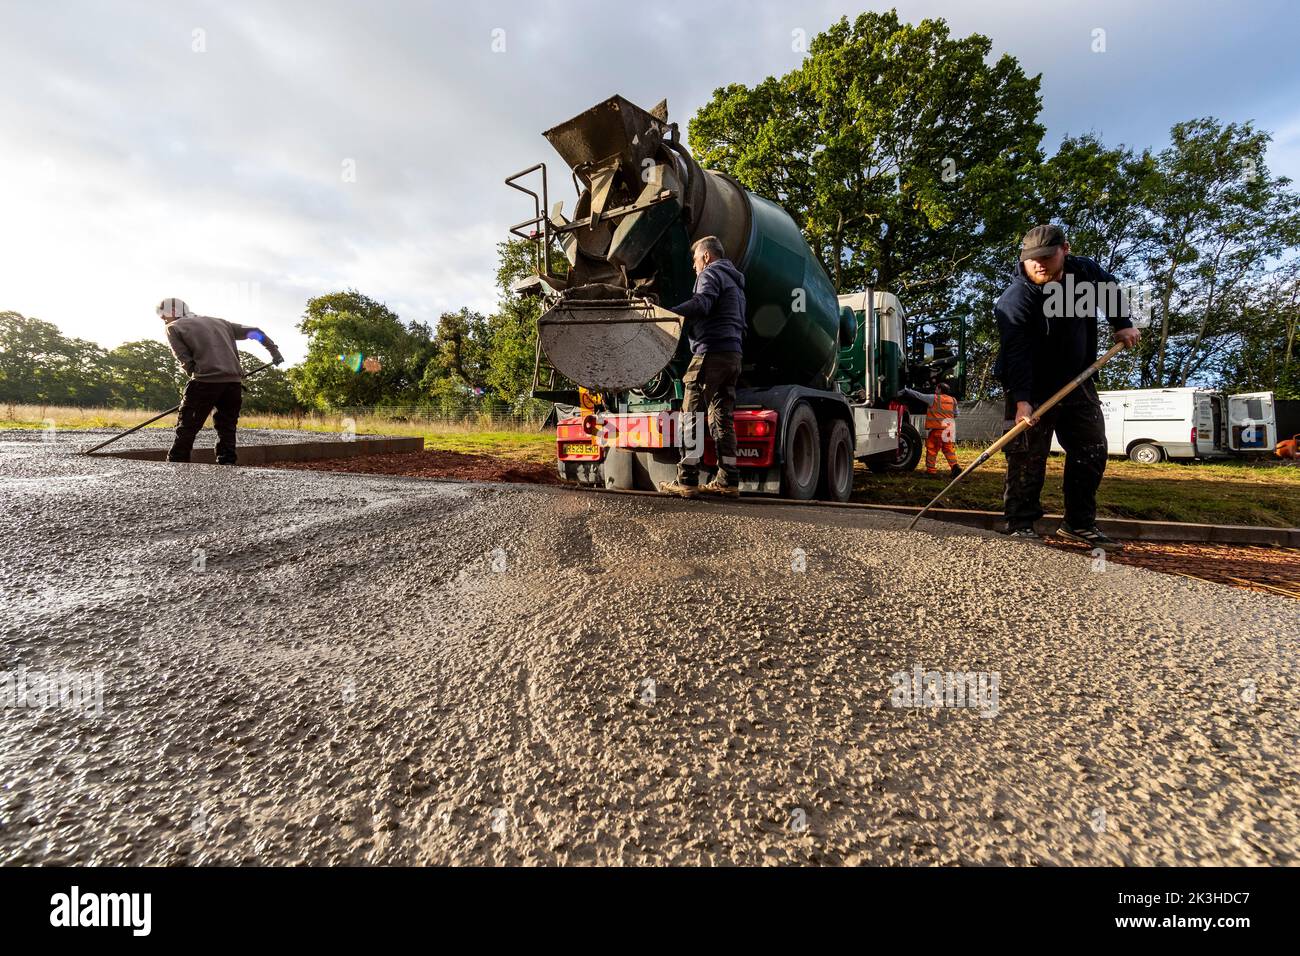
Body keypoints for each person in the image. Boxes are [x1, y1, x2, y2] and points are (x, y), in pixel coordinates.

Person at [994, 225, 1140, 550]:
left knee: (1091, 449)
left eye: (1046, 257)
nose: (1039, 265)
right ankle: (1020, 524)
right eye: (1032, 260)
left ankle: (1078, 523)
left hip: (1079, 378)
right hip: (1031, 384)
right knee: (1028, 454)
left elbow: (1110, 290)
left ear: (1065, 249)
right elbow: (1016, 353)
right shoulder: (1016, 298)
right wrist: (1021, 400)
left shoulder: (1084, 271)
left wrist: (1123, 323)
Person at [658, 236, 747, 499]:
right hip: (733, 354)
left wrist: (670, 314)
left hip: (710, 352)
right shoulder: (736, 281)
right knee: (722, 417)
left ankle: (687, 480)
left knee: (691, 414)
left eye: (695, 260)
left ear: (706, 256)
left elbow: (702, 303)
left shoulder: (711, 274)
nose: (694, 267)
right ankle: (728, 481)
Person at [158, 297, 284, 465]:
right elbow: (255, 332)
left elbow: (184, 359)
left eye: (162, 315)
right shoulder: (221, 323)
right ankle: (227, 463)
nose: (162, 319)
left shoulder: (173, 327)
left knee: (187, 428)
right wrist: (274, 352)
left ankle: (176, 464)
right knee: (227, 428)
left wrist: (197, 378)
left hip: (204, 383)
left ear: (172, 311)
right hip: (232, 385)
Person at [900, 382, 961, 477]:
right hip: (949, 430)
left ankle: (931, 471)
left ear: (940, 389)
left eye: (936, 389)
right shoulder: (953, 400)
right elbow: (956, 414)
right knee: (948, 449)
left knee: (932, 449)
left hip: (937, 430)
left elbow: (919, 395)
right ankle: (955, 466)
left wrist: (906, 390)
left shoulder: (934, 398)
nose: (935, 390)